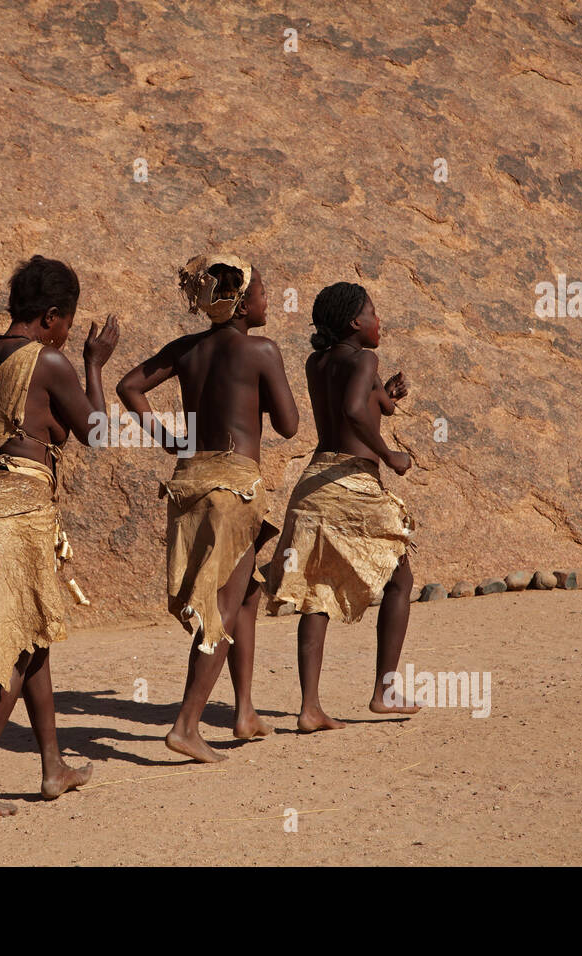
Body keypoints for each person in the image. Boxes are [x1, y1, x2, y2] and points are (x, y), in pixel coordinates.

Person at [0, 254, 119, 817]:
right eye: (67, 322)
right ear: (50, 316)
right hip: (15, 516)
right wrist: (94, 364)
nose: (68, 332)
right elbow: (95, 432)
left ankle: (52, 767)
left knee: (30, 633)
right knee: (12, 648)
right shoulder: (50, 361)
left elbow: (37, 422)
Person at [117, 253, 298, 763]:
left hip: (190, 480)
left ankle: (243, 711)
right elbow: (288, 425)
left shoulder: (186, 350)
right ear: (240, 303)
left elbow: (128, 385)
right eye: (260, 290)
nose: (266, 298)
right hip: (235, 486)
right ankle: (186, 725)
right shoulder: (261, 350)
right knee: (221, 606)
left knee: (245, 598)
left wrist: (170, 440)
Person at [263, 281, 418, 731]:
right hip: (352, 481)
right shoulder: (365, 358)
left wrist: (387, 392)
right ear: (355, 322)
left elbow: (372, 405)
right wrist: (390, 455)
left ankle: (310, 707)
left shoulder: (319, 361)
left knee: (316, 590)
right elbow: (354, 409)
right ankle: (385, 691)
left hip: (314, 481)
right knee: (400, 578)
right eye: (373, 311)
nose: (379, 319)